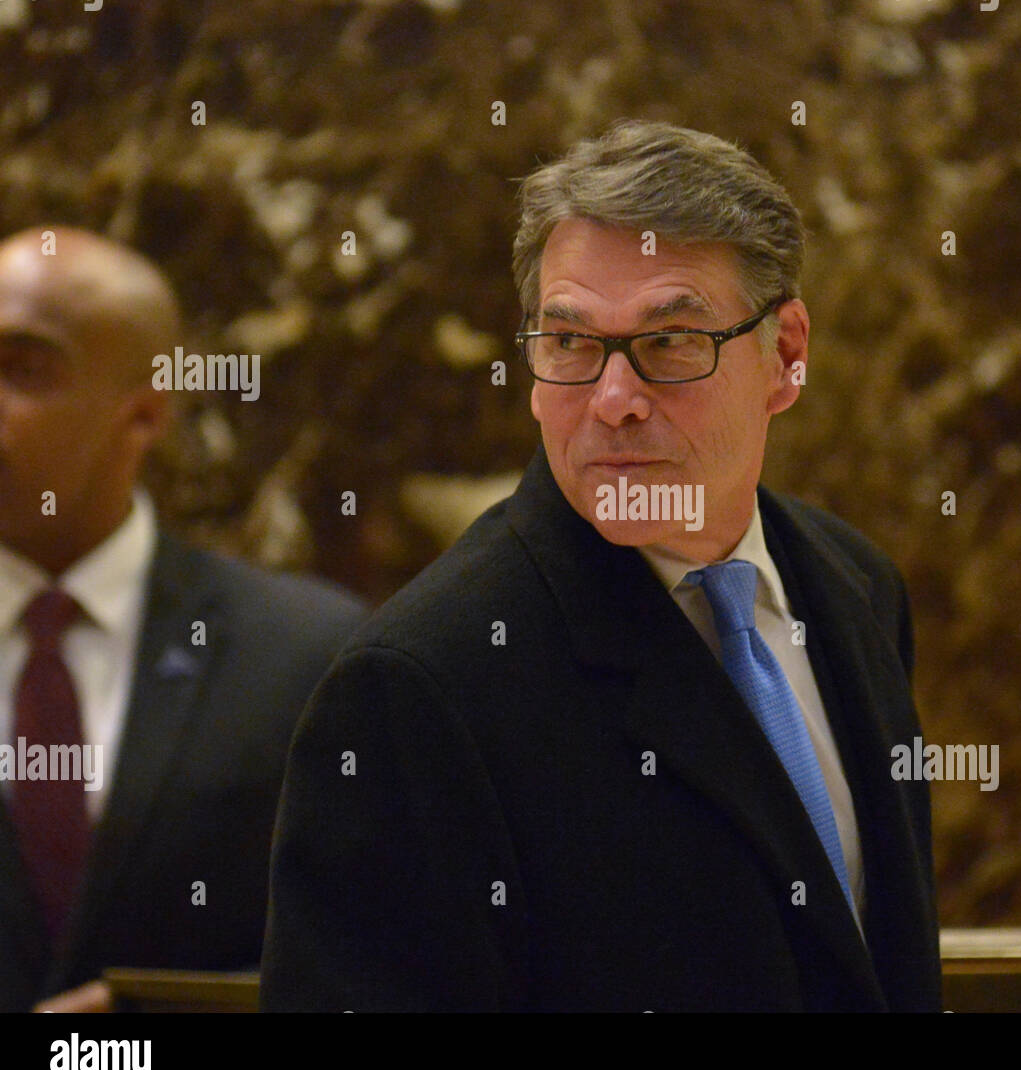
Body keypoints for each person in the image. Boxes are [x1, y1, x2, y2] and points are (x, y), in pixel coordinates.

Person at [262, 121, 941, 1012]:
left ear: (785, 355)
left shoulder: (854, 586)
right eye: (572, 343)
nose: (613, 401)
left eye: (668, 340)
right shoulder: (419, 687)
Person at [0, 226, 367, 1012]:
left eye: (23, 369)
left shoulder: (306, 654)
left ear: (142, 415)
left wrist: (149, 1020)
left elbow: (385, 959)